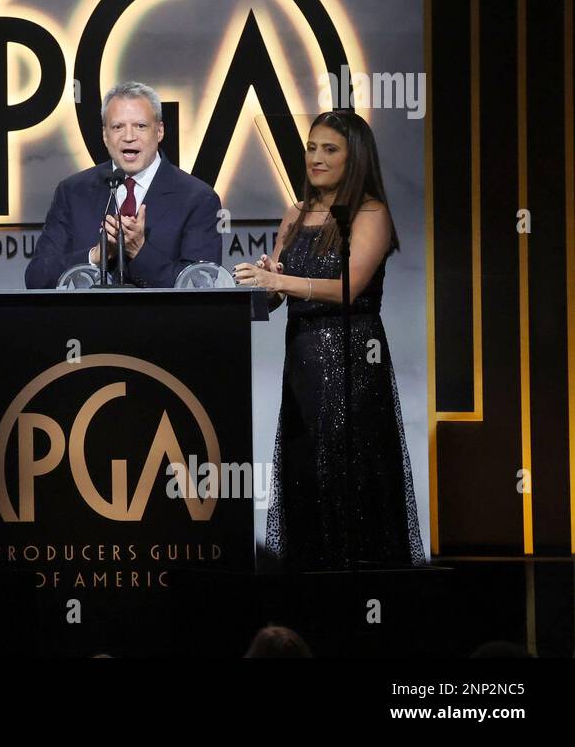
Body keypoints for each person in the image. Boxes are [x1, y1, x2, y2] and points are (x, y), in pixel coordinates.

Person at [233, 111, 425, 571]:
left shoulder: (371, 212)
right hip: (302, 367)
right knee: (305, 477)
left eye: (329, 149)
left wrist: (284, 280)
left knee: (351, 480)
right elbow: (278, 299)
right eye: (312, 147)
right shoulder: (295, 214)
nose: (315, 158)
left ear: (353, 156)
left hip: (353, 363)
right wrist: (270, 281)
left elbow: (347, 289)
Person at [25, 81, 222, 288]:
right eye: (118, 127)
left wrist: (139, 251)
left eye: (140, 126)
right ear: (105, 135)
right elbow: (37, 278)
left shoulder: (198, 198)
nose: (129, 137)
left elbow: (201, 286)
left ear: (159, 131)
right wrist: (95, 256)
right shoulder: (73, 192)